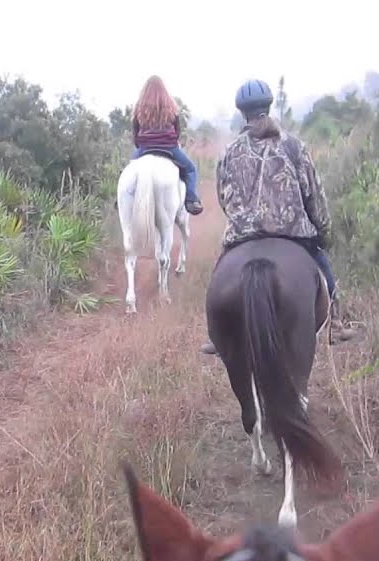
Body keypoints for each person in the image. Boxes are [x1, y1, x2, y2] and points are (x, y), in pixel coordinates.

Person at [199, 78, 353, 355]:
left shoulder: (229, 152)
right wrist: (323, 233)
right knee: (324, 270)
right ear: (268, 107)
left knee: (219, 273)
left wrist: (243, 221)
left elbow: (225, 198)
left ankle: (217, 335)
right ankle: (335, 324)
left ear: (242, 113)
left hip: (243, 236)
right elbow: (314, 195)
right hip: (294, 233)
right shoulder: (294, 146)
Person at [131, 75, 204, 216]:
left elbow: (135, 132)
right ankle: (191, 200)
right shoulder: (171, 106)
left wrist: (140, 145)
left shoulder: (139, 107)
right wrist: (171, 142)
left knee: (126, 172)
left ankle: (121, 200)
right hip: (169, 148)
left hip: (145, 148)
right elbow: (177, 131)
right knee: (190, 170)